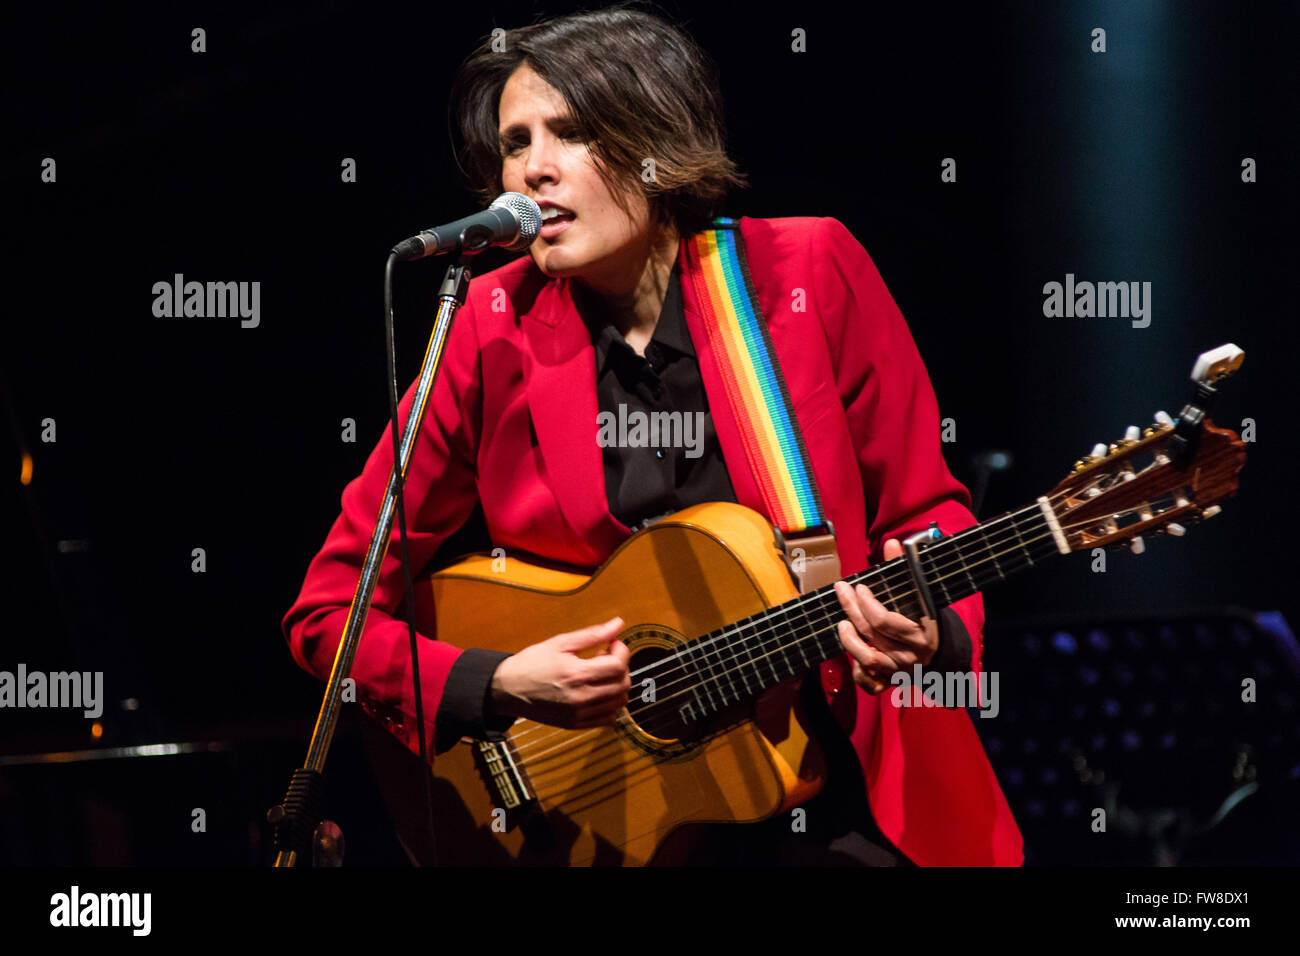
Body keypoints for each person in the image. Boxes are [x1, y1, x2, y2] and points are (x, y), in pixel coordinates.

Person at [282, 6, 1022, 866]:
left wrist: (935, 631)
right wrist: (495, 683)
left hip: (846, 794)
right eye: (516, 143)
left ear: (654, 143)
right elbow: (328, 611)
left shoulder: (806, 273)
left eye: (571, 133)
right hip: (608, 823)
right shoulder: (491, 326)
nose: (532, 171)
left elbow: (926, 509)